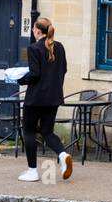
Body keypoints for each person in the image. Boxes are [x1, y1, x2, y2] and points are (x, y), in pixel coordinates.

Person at [16, 16, 72, 182]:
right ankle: (63, 155)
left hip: (35, 98)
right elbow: (64, 69)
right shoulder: (59, 47)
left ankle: (32, 171)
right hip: (54, 97)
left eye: (34, 29)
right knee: (47, 132)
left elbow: (35, 74)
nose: (33, 32)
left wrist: (20, 79)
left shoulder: (34, 48)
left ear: (38, 31)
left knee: (29, 132)